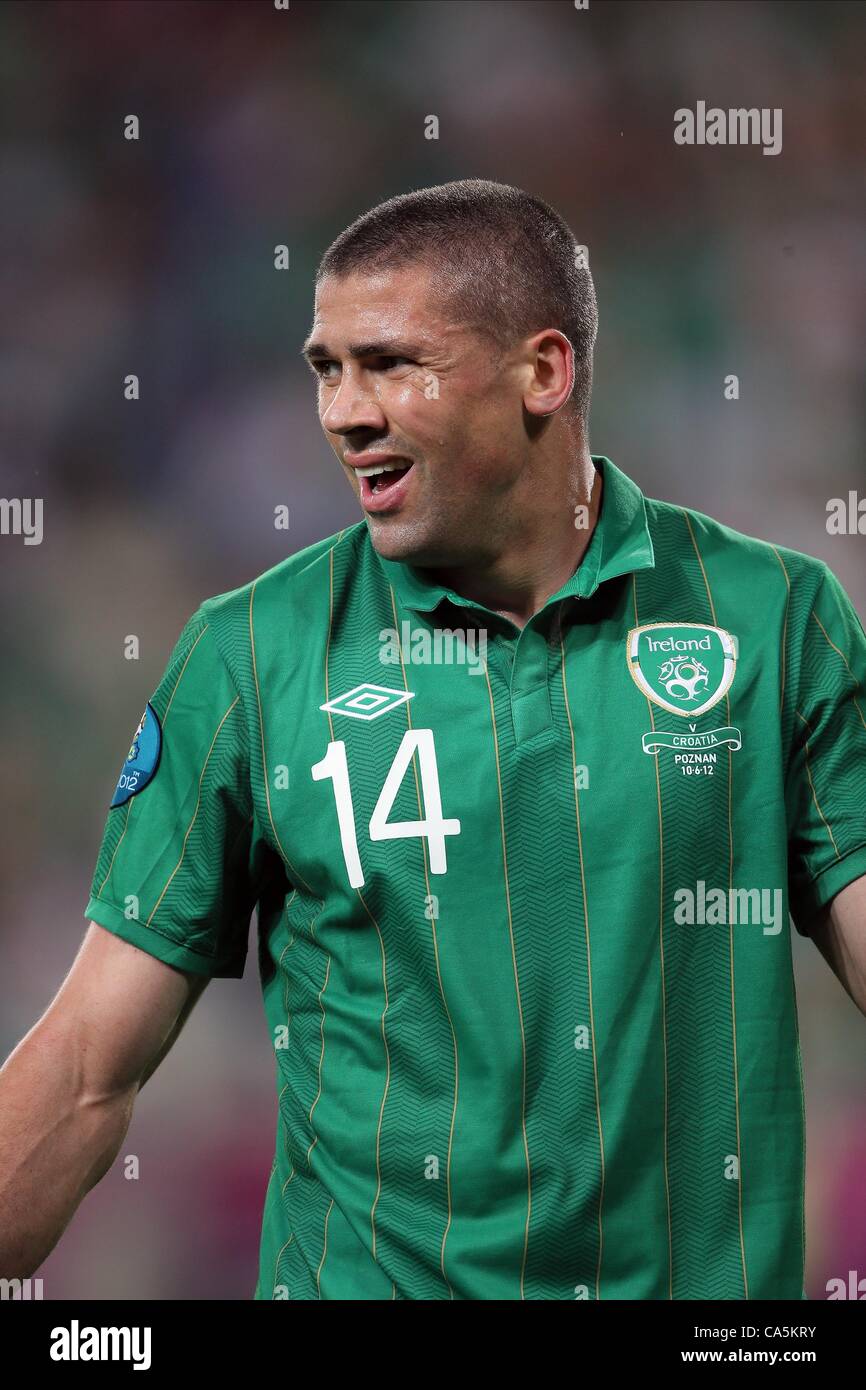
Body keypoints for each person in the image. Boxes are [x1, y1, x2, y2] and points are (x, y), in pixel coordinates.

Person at [2, 179, 865, 1300]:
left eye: (392, 364)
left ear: (543, 373)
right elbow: (82, 1073)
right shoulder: (250, 656)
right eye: (326, 368)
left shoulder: (770, 619)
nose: (343, 412)